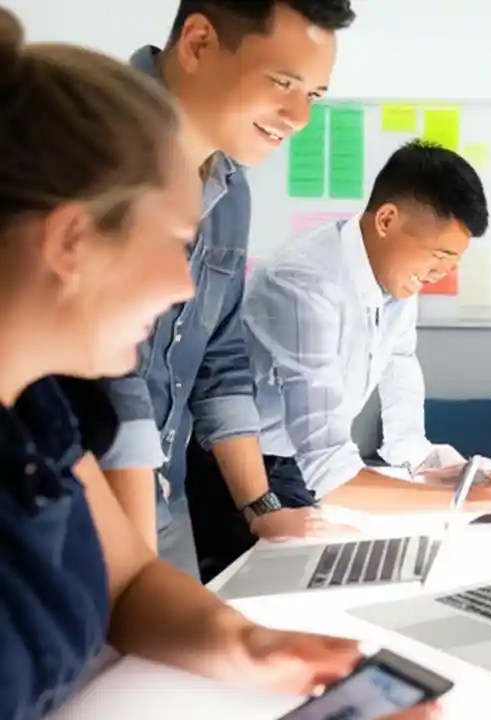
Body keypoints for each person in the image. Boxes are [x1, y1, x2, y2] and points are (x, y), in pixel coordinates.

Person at [0, 12, 437, 719]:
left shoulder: (40, 414)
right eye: (173, 245)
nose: (187, 289)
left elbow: (131, 586)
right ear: (71, 240)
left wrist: (255, 649)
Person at [188, 141, 491, 578]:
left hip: (294, 464)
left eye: (454, 261)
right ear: (388, 219)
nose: (442, 272)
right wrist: (480, 500)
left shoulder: (393, 274)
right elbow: (330, 472)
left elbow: (399, 361)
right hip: (240, 475)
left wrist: (441, 470)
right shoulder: (306, 286)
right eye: (440, 256)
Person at [97, 0, 355, 579]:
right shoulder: (91, 142)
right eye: (283, 83)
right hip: (77, 501)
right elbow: (109, 377)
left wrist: (262, 508)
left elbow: (219, 353)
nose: (298, 117)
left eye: (312, 95)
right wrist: (142, 578)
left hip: (166, 498)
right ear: (198, 43)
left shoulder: (231, 189)